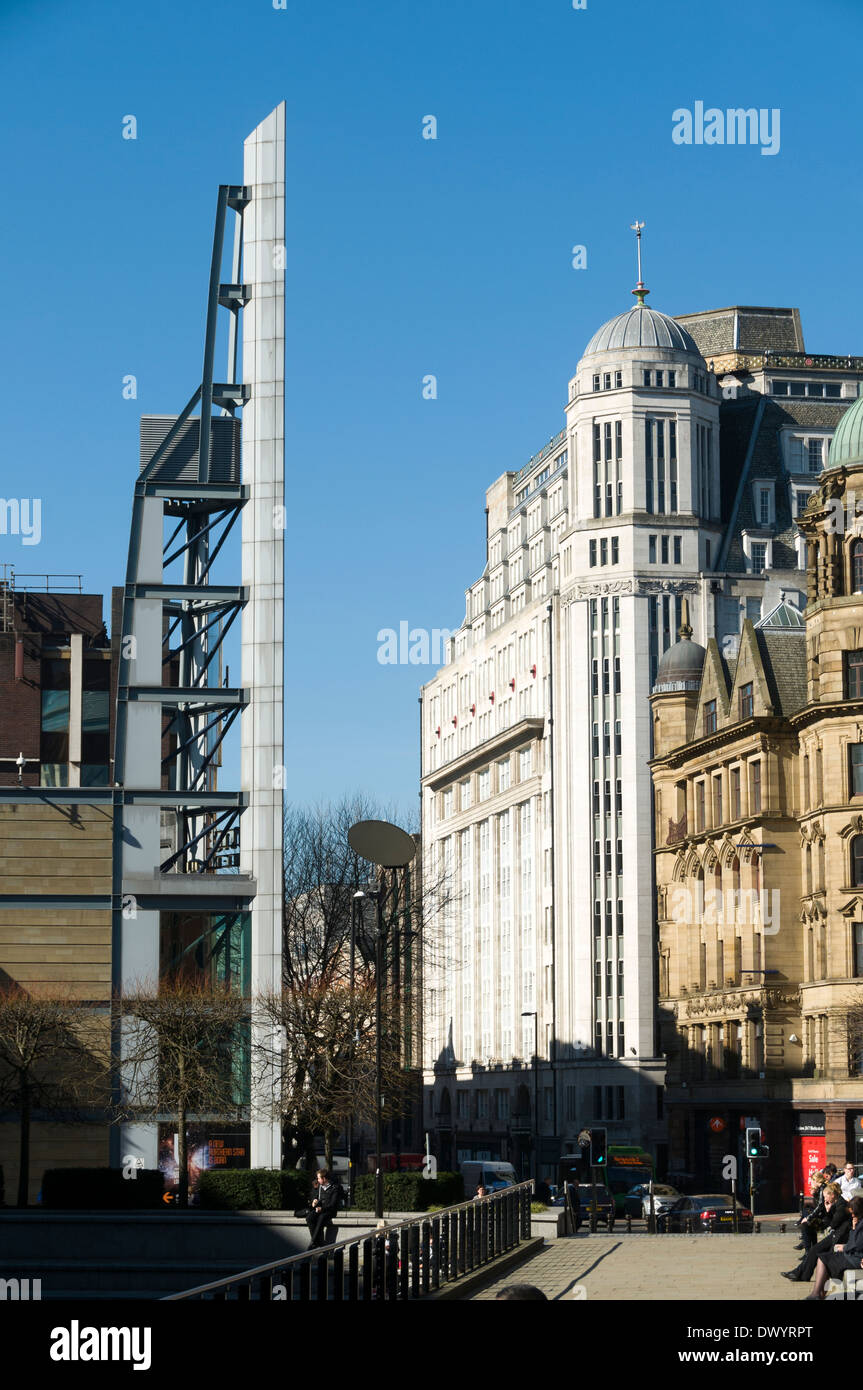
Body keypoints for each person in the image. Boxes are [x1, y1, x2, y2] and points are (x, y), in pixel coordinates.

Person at [782, 1183, 849, 1283]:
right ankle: (801, 1274)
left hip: (840, 1236)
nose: (825, 1198)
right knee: (814, 1249)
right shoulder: (837, 1203)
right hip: (837, 1234)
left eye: (826, 1196)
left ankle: (801, 1274)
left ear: (832, 1195)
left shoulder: (841, 1205)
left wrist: (828, 1210)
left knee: (815, 1250)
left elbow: (834, 1223)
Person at [806, 1194, 863, 1300]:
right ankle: (819, 1294)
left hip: (855, 1258)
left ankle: (816, 1294)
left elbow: (858, 1245)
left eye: (852, 1213)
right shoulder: (859, 1222)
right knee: (825, 1257)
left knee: (823, 1259)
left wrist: (844, 1248)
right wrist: (854, 1229)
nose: (851, 1215)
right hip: (853, 1255)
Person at [305, 1168, 343, 1249]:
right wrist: (314, 1201)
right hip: (319, 1209)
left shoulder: (334, 1188)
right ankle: (318, 1241)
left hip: (329, 1211)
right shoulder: (320, 1187)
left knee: (321, 1217)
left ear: (324, 1178)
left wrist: (322, 1209)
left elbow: (332, 1204)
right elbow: (316, 1197)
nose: (317, 1180)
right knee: (309, 1217)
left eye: (319, 1178)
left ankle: (313, 1242)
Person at [796, 1171, 828, 1253]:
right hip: (822, 1215)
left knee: (805, 1225)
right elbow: (818, 1204)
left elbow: (820, 1206)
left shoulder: (823, 1188)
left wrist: (808, 1218)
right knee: (806, 1212)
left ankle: (808, 1252)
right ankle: (810, 1251)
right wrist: (814, 1194)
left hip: (825, 1218)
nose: (811, 1183)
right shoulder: (821, 1188)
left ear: (816, 1180)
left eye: (812, 1181)